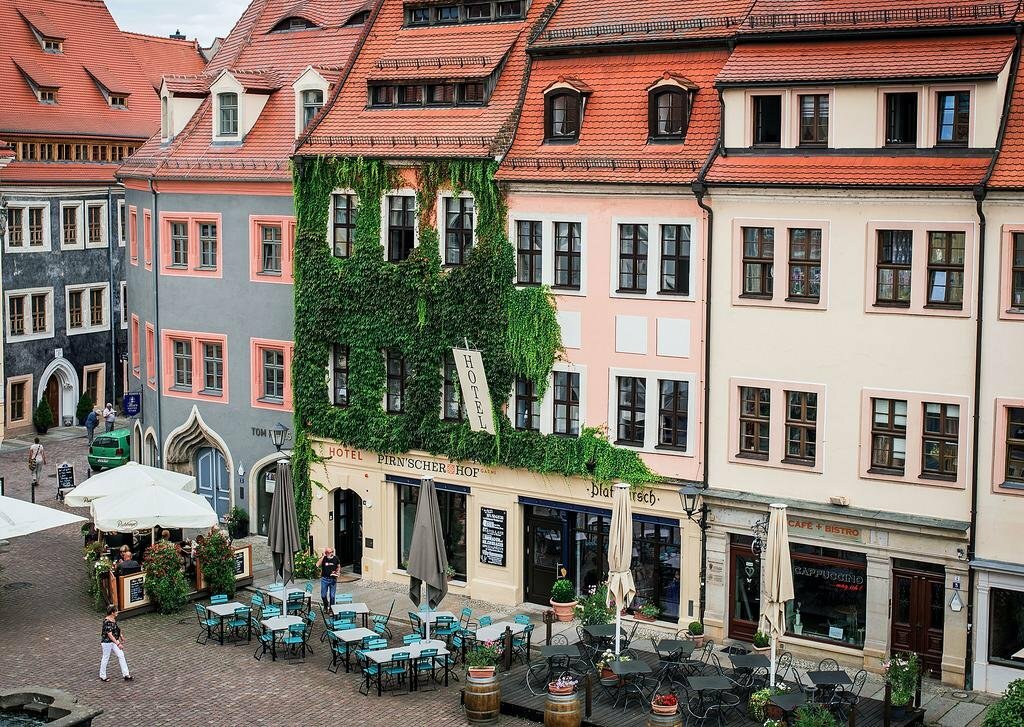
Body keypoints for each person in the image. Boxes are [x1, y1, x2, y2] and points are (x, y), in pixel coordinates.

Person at [100, 605, 132, 682]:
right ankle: (102, 675)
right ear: (112, 612)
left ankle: (126, 675)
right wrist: (118, 644)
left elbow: (116, 629)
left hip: (114, 641)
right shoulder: (107, 622)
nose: (118, 612)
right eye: (116, 611)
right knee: (106, 657)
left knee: (121, 655)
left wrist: (121, 636)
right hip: (107, 643)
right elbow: (110, 635)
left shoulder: (113, 619)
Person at [316, 546, 340, 611]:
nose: (331, 553)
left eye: (332, 552)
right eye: (329, 552)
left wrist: (337, 572)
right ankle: (326, 605)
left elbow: (338, 566)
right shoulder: (324, 558)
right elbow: (317, 565)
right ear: (326, 553)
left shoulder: (336, 558)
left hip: (333, 579)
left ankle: (332, 609)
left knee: (332, 596)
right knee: (323, 595)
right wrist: (323, 556)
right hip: (324, 579)